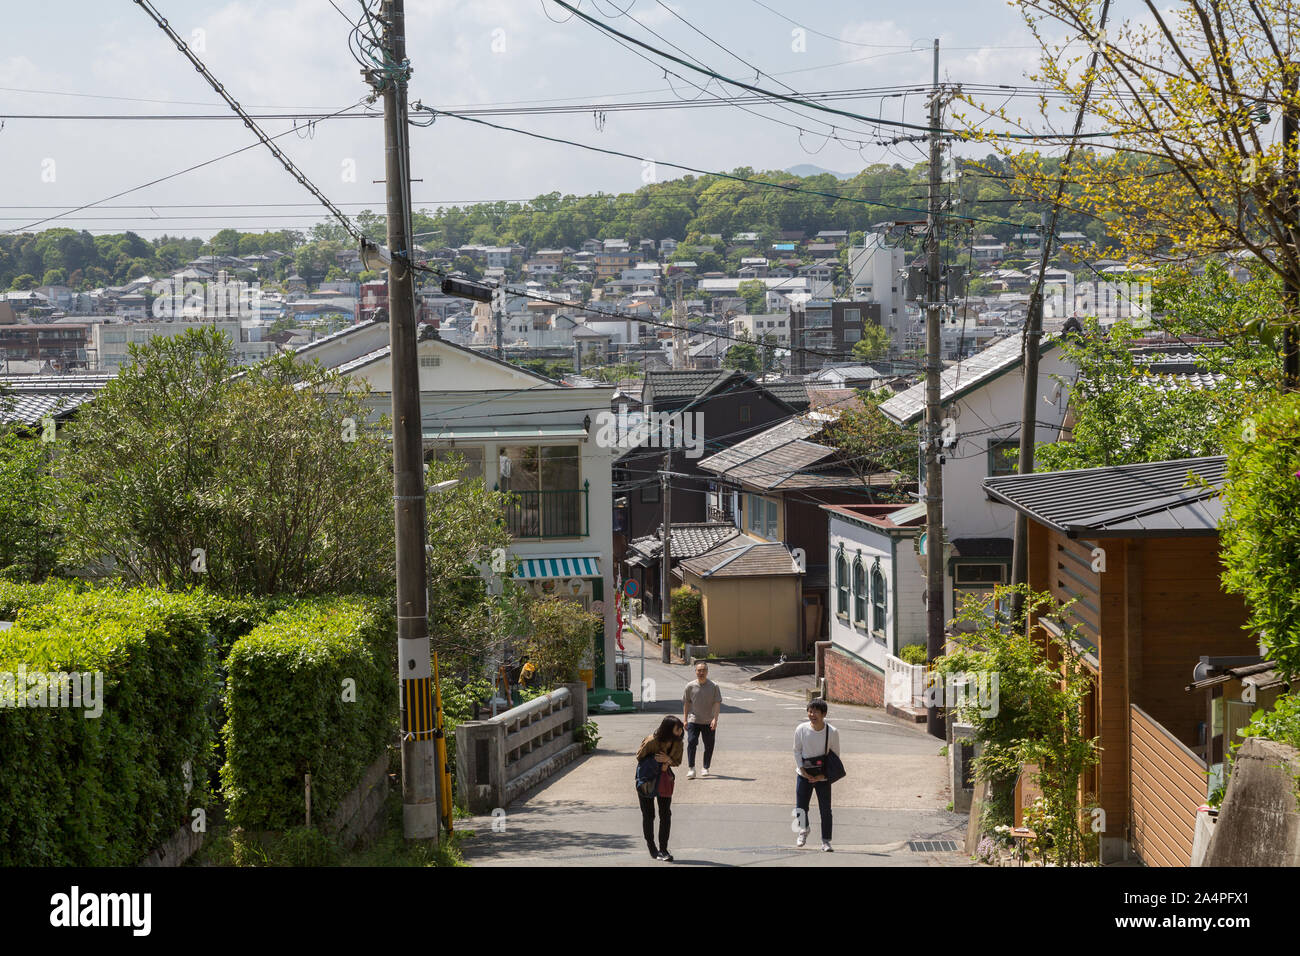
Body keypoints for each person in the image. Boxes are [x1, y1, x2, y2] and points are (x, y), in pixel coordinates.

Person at [793, 698, 840, 852]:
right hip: (804, 774)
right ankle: (803, 829)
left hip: (823, 776)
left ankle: (826, 841)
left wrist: (822, 776)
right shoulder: (801, 729)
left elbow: (835, 756)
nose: (812, 714)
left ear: (824, 714)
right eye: (810, 711)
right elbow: (797, 750)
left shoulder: (832, 732)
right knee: (800, 807)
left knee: (825, 810)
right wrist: (803, 770)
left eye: (816, 712)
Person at [636, 715, 684, 861]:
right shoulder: (651, 740)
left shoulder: (678, 743)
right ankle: (651, 846)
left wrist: (668, 761)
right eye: (678, 729)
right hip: (647, 779)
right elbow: (639, 757)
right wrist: (657, 763)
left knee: (665, 814)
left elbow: (677, 761)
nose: (681, 732)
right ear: (668, 729)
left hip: (664, 779)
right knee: (649, 814)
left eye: (681, 729)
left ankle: (663, 849)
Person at [682, 661, 722, 778]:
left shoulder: (714, 686)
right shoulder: (690, 686)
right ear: (695, 672)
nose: (701, 672)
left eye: (703, 670)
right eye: (699, 670)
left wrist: (715, 719)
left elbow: (717, 703)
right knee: (691, 742)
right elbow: (686, 703)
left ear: (707, 672)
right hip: (693, 720)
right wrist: (685, 719)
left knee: (709, 745)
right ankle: (691, 768)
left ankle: (705, 767)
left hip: (708, 721)